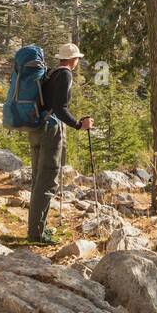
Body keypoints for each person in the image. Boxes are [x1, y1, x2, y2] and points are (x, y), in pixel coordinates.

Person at [27, 42, 92, 244]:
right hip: (50, 131)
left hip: (36, 129)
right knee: (47, 180)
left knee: (38, 180)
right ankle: (36, 235)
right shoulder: (65, 75)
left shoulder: (50, 74)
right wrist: (78, 125)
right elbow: (60, 107)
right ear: (73, 60)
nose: (78, 62)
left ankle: (36, 230)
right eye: (78, 59)